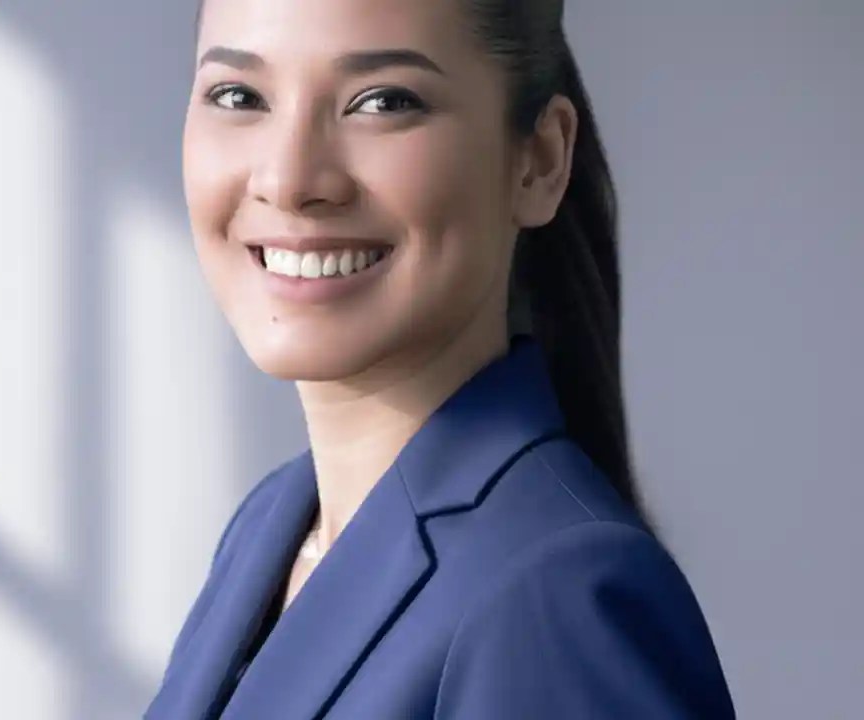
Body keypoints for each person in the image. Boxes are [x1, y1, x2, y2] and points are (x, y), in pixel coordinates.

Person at [146, 0, 736, 716]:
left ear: (540, 161)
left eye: (383, 101)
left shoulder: (558, 593)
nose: (290, 178)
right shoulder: (270, 526)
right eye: (239, 96)